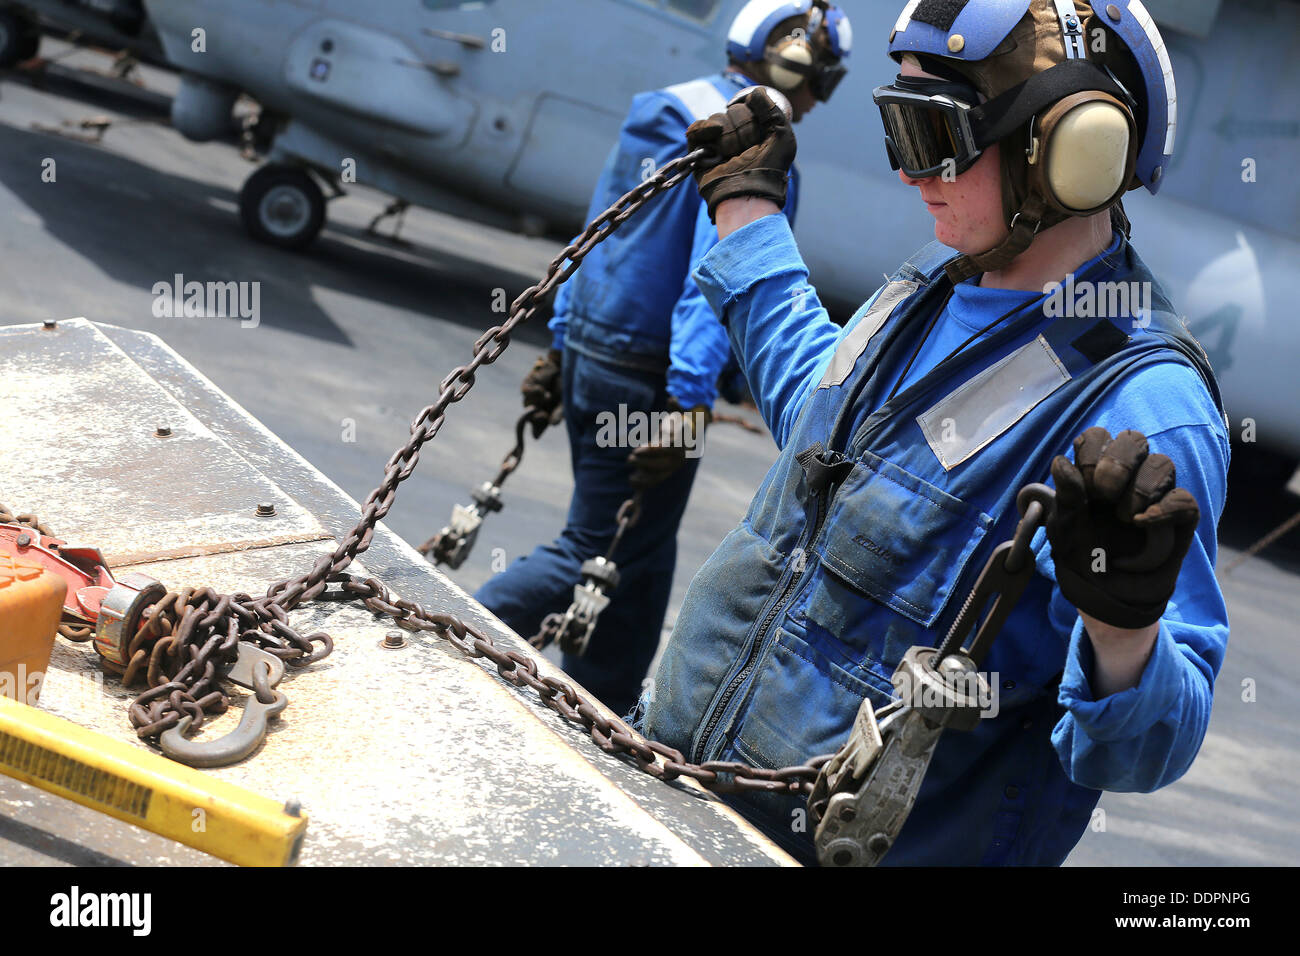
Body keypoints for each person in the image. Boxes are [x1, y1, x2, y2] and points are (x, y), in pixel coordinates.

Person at [638, 0, 1231, 865]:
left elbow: (1143, 752)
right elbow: (827, 433)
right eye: (899, 130)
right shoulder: (938, 281)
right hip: (682, 793)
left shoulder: (1143, 408)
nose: (915, 177)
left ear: (1072, 151)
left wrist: (1124, 628)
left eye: (934, 134)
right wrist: (747, 212)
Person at [475, 0, 853, 717]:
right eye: (818, 81)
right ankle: (453, 632)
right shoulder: (757, 152)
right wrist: (687, 402)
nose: (811, 103)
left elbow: (601, 225)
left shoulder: (669, 107)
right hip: (649, 374)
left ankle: (605, 697)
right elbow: (708, 285)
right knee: (598, 545)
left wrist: (561, 340)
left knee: (642, 552)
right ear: (791, 65)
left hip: (596, 348)